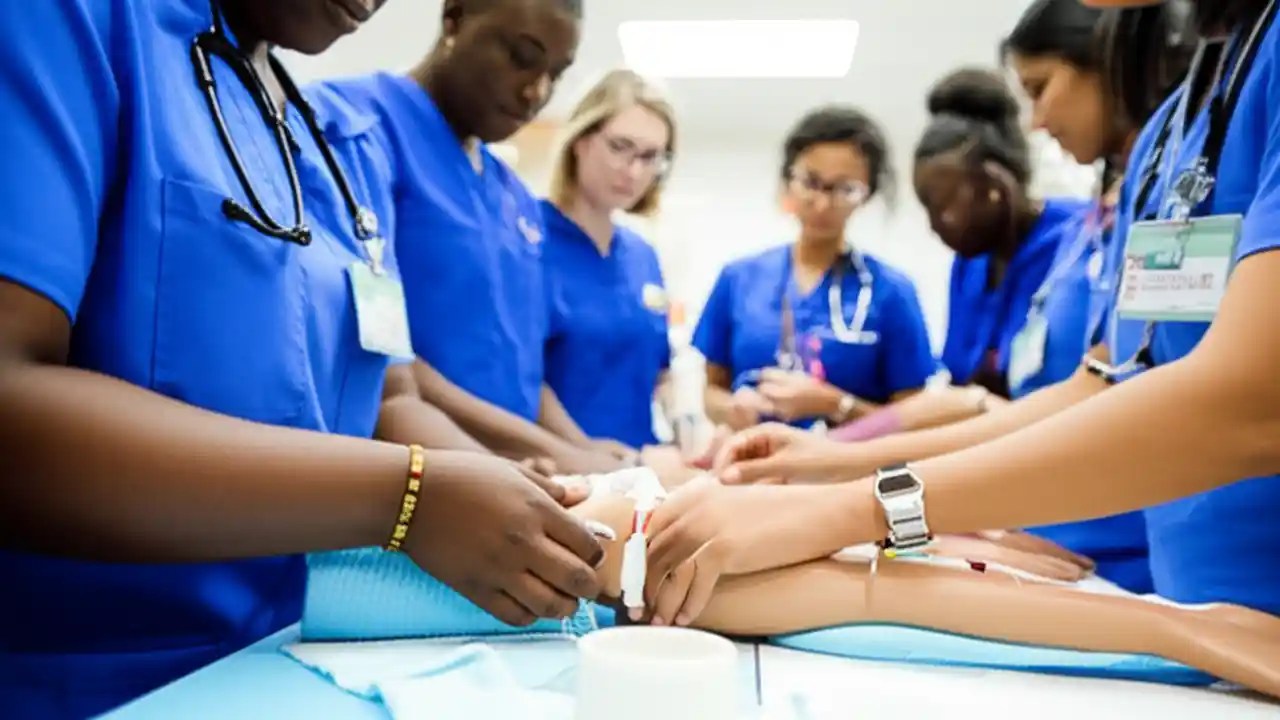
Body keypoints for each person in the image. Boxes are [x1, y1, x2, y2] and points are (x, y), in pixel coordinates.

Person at [0, 1, 604, 716]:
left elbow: (389, 392)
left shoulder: (331, 150)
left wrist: (518, 495)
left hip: (291, 654)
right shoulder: (77, 25)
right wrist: (405, 498)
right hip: (97, 679)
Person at [642, 0, 1280, 628]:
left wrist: (839, 502)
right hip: (1188, 588)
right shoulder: (1176, 131)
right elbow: (1099, 386)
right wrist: (828, 462)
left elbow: (1252, 403)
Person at [318, 0, 629, 474]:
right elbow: (384, 369)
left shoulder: (516, 199)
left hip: (506, 477)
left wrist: (583, 452)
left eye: (557, 74)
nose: (536, 90)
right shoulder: (356, 130)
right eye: (522, 57)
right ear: (455, 18)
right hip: (412, 487)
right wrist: (552, 467)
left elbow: (522, 373)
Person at [691, 107, 938, 433]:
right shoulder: (737, 278)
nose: (822, 204)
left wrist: (835, 405)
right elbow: (712, 392)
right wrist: (733, 409)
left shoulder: (893, 292)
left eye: (845, 189)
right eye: (811, 182)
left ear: (868, 194)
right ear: (789, 180)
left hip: (850, 477)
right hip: (750, 472)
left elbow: (914, 424)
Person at [916, 69, 1092, 402]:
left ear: (996, 184)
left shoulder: (1077, 238)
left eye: (944, 208)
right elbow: (961, 386)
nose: (934, 225)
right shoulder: (969, 265)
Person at [541, 69, 677, 451]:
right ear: (580, 141)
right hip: (556, 468)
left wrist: (689, 427)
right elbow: (519, 376)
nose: (634, 171)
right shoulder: (526, 237)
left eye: (650, 157)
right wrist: (583, 453)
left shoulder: (641, 255)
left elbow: (659, 369)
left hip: (638, 469)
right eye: (620, 147)